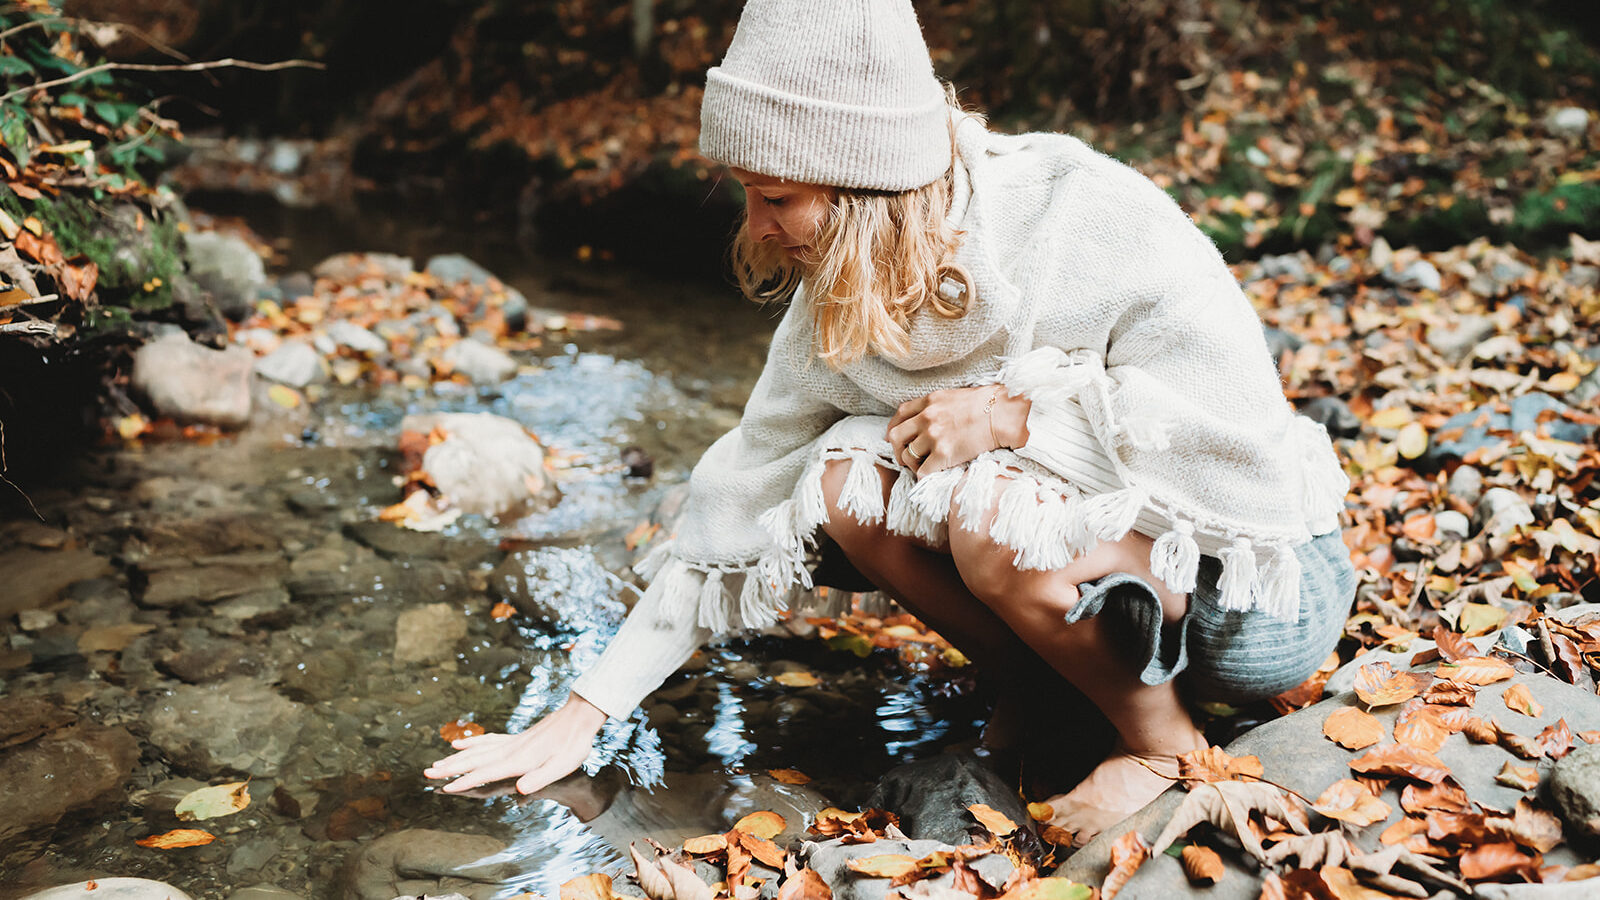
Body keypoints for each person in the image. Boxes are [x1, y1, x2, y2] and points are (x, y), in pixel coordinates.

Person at [426, 0, 1356, 846]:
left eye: (777, 196)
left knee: (991, 508)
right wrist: (583, 713)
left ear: (864, 182)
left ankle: (1164, 746)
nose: (754, 226)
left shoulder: (1079, 213)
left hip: (1253, 593)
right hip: (1110, 578)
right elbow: (736, 493)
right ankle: (1048, 687)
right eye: (747, 189)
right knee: (841, 480)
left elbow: (1232, 442)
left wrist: (1012, 416)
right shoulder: (844, 299)